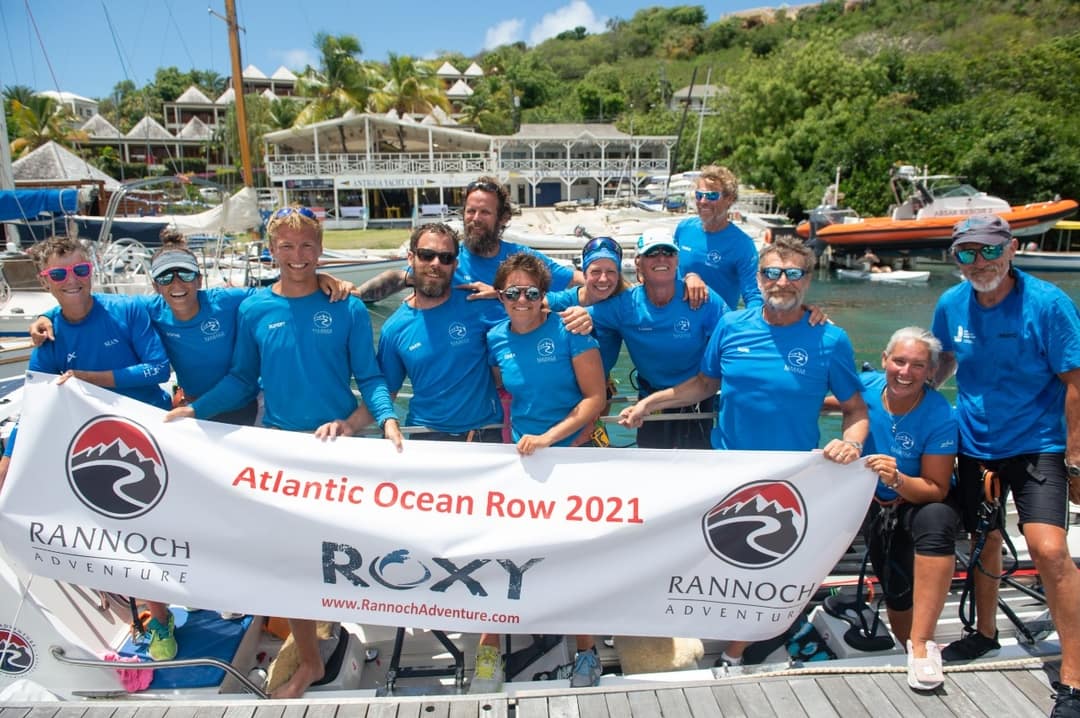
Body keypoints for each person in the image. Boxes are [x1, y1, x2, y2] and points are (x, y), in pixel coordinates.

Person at [165, 205, 403, 699]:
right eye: (287, 247)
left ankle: (335, 626)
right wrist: (196, 411)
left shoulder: (347, 307)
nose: (298, 256)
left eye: (308, 246)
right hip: (277, 453)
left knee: (344, 554)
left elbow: (372, 377)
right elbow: (240, 379)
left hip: (338, 451)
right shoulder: (253, 307)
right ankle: (311, 660)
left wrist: (388, 419)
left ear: (321, 248)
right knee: (288, 561)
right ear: (272, 251)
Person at [619, 235, 869, 667]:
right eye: (772, 272)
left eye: (793, 273)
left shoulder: (830, 338)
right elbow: (703, 385)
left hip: (791, 479)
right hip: (727, 470)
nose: (782, 282)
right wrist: (649, 402)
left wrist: (850, 443)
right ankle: (713, 630)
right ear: (759, 277)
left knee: (775, 568)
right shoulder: (732, 326)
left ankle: (738, 651)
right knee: (714, 556)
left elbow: (856, 409)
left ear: (807, 280)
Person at [2, 235, 178, 662]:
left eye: (80, 270)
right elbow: (36, 403)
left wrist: (87, 377)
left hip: (150, 437)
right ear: (46, 281)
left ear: (92, 270)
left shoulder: (128, 310)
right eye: (60, 274)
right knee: (121, 536)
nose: (73, 280)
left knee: (159, 532)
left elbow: (158, 368)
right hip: (97, 448)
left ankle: (182, 602)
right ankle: (160, 617)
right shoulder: (48, 335)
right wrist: (9, 455)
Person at [930, 215, 1080, 717]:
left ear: (1012, 249)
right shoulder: (951, 304)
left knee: (1050, 550)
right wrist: (911, 386)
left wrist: (1076, 460)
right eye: (967, 254)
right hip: (975, 443)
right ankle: (985, 633)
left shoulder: (1048, 304)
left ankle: (1074, 677)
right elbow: (944, 359)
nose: (980, 263)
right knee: (984, 541)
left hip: (1038, 446)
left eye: (989, 251)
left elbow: (1075, 383)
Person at [472, 253, 605, 692]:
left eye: (531, 292)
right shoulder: (495, 337)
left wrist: (551, 437)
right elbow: (505, 392)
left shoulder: (571, 328)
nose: (522, 300)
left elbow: (594, 399)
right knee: (504, 558)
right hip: (524, 464)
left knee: (574, 563)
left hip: (573, 459)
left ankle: (587, 653)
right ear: (501, 296)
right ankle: (489, 654)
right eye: (512, 292)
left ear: (544, 295)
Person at [829, 327, 958, 691]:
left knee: (938, 518)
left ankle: (922, 645)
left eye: (918, 365)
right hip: (872, 504)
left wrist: (898, 478)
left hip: (915, 500)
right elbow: (829, 400)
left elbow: (936, 488)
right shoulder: (867, 386)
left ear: (931, 372)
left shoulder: (939, 414)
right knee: (897, 590)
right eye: (899, 361)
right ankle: (908, 646)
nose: (905, 372)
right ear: (884, 361)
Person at [356, 176, 582, 315]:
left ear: (503, 218)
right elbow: (397, 278)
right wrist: (351, 294)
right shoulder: (446, 261)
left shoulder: (524, 260)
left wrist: (508, 294)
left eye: (485, 212)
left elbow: (584, 285)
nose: (475, 218)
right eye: (470, 211)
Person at [590, 228, 728, 449]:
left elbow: (740, 332)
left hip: (697, 401)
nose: (661, 258)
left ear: (677, 260)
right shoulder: (624, 305)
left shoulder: (703, 297)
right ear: (638, 262)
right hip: (650, 400)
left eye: (668, 252)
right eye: (653, 253)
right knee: (651, 471)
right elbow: (573, 316)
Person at [376, 222, 502, 441]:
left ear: (455, 264)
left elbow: (531, 320)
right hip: (426, 439)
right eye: (426, 255)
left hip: (484, 437)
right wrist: (386, 419)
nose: (436, 263)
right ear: (410, 258)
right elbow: (386, 391)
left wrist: (502, 294)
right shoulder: (393, 329)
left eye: (445, 258)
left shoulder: (479, 303)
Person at [547, 236, 629, 446]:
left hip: (599, 395)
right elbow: (528, 303)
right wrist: (500, 293)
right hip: (561, 395)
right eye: (595, 272)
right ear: (583, 274)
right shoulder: (564, 300)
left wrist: (693, 277)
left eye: (611, 272)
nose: (603, 279)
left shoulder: (624, 303)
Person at [676, 165, 763, 311]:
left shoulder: (743, 245)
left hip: (718, 326)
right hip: (680, 324)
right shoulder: (684, 228)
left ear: (729, 199)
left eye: (711, 196)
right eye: (699, 195)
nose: (703, 201)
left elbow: (754, 297)